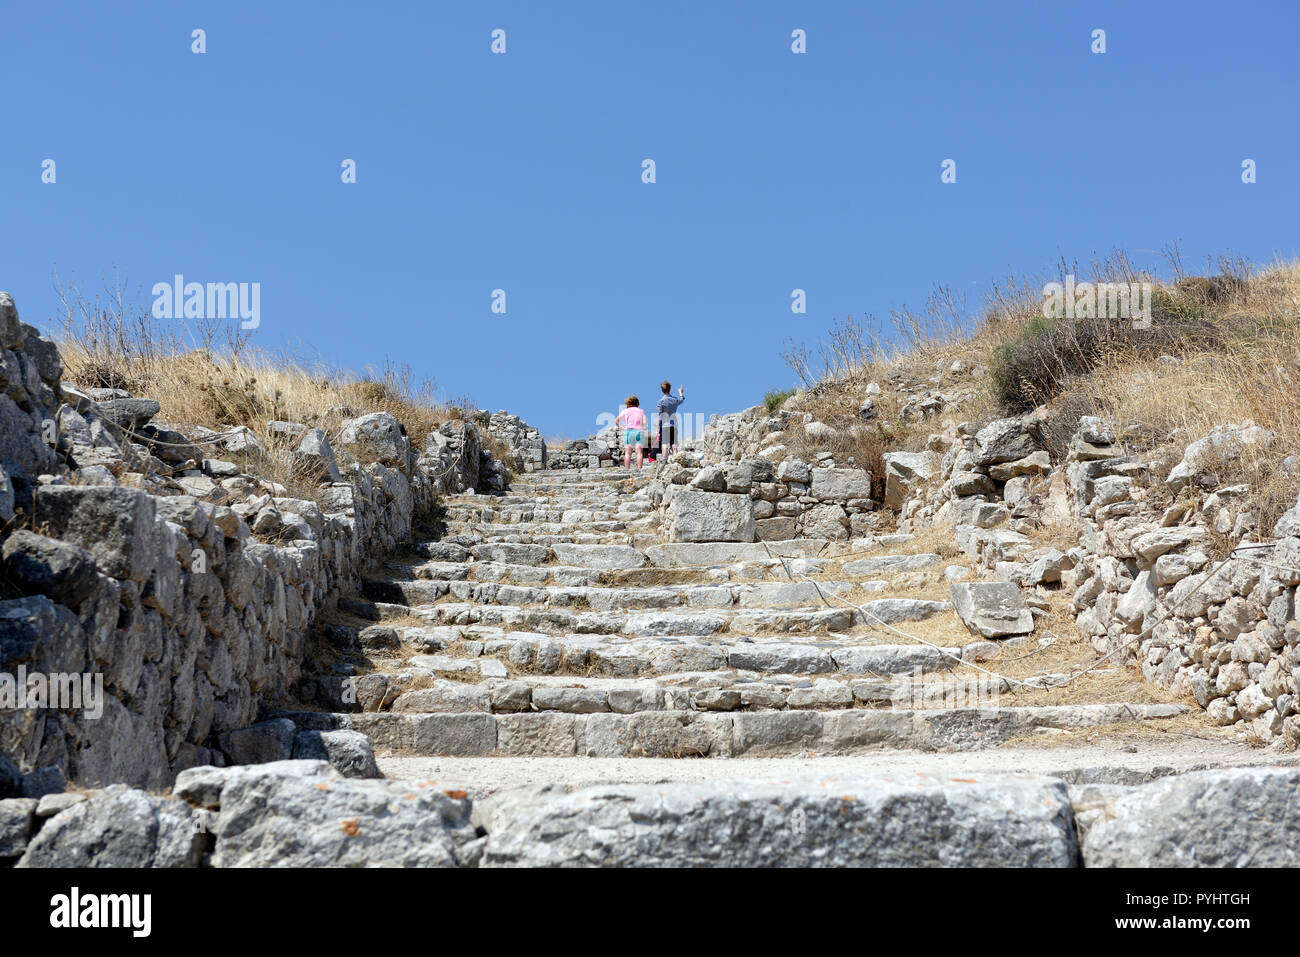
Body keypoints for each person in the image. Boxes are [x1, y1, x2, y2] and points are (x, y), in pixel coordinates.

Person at [617, 395, 648, 470]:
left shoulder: (625, 411)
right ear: (637, 403)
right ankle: (639, 469)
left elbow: (616, 420)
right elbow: (645, 422)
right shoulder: (641, 411)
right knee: (639, 453)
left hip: (629, 432)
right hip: (638, 432)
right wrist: (641, 426)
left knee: (628, 453)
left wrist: (622, 428)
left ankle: (627, 469)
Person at [656, 381, 686, 456]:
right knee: (674, 443)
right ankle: (675, 459)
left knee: (665, 444)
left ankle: (664, 460)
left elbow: (660, 415)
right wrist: (680, 392)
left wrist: (657, 426)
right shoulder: (674, 400)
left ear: (662, 390)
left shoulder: (661, 401)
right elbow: (681, 399)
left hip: (664, 425)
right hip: (674, 424)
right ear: (670, 389)